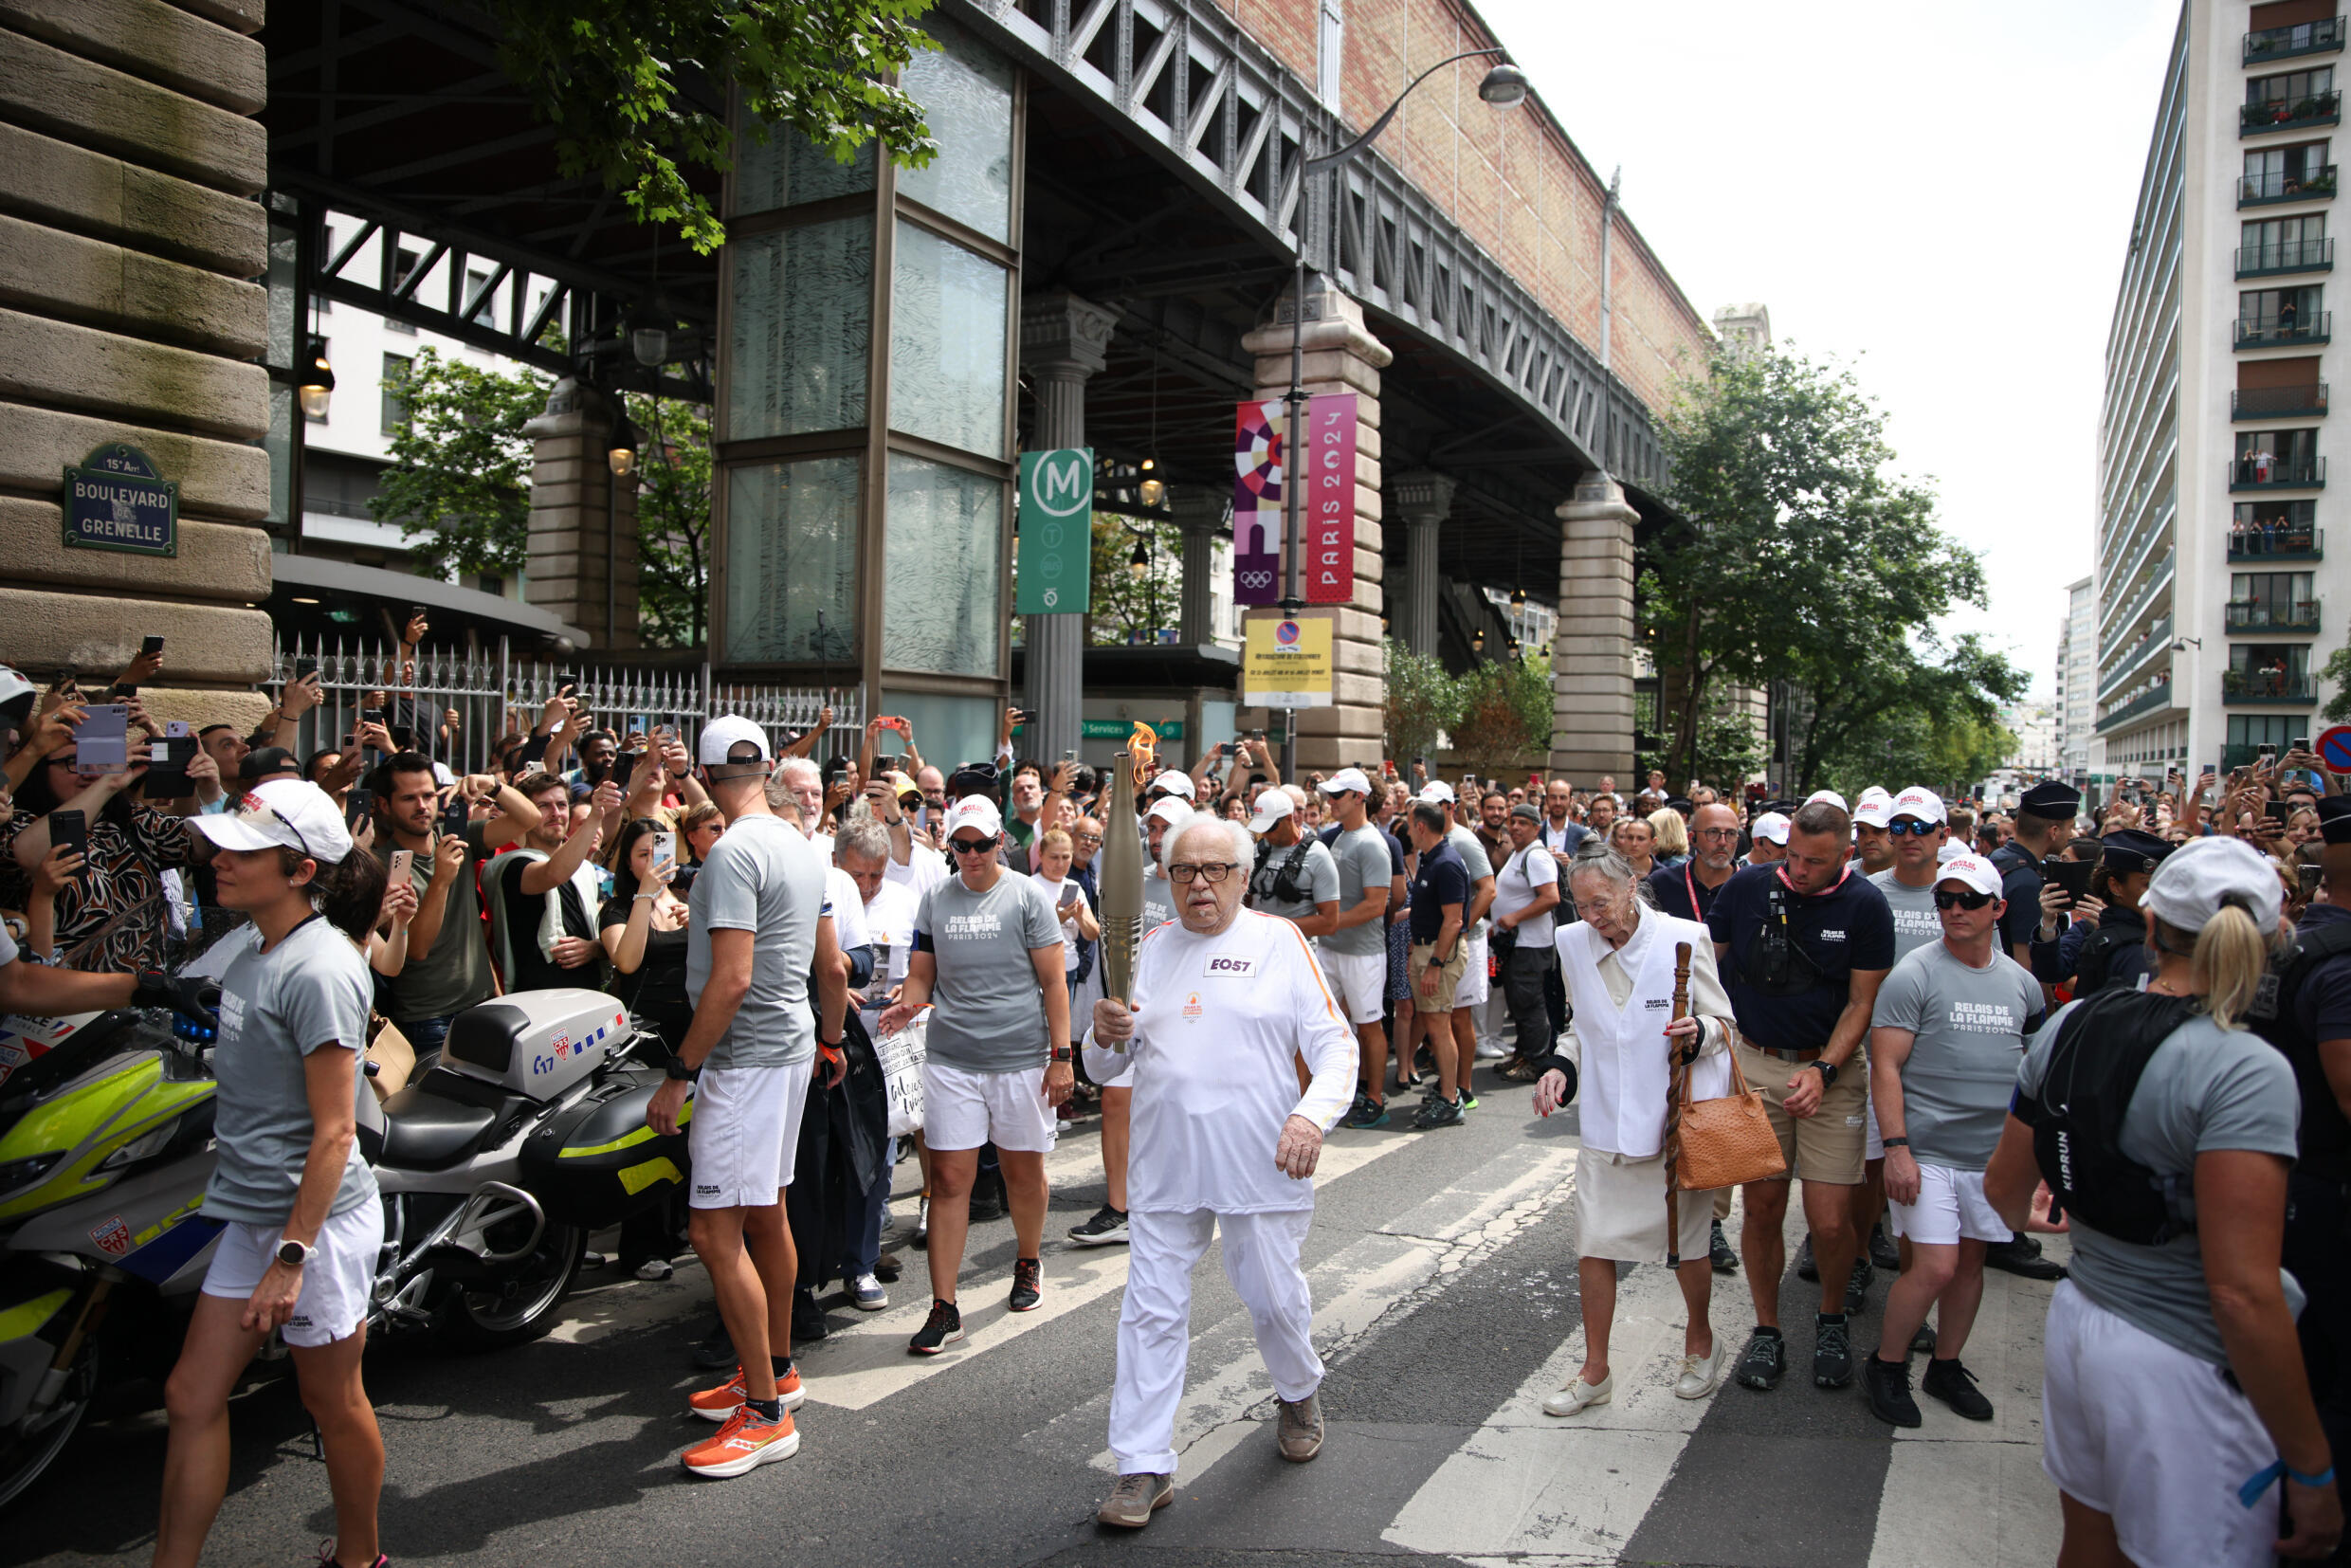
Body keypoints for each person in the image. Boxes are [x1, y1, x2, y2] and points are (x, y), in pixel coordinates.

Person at [1985, 836, 2342, 1568]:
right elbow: (2242, 1293)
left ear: (2151, 927)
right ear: (2273, 940)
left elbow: (2003, 1191)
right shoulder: (2246, 1069)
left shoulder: (2072, 1022)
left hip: (2081, 1324)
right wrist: (2313, 1467)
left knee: (2090, 1543)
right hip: (2189, 1361)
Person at [1084, 812, 1356, 1528]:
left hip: (1259, 1162)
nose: (1199, 884)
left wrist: (1310, 1117)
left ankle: (1297, 1390)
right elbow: (1106, 1064)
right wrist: (1101, 1037)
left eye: (1215, 870)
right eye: (1184, 871)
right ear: (1167, 878)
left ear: (1243, 876)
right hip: (1166, 1166)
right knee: (1150, 1312)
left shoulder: (1280, 942)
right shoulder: (1147, 951)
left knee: (1272, 1297)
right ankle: (1142, 1465)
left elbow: (1336, 1046)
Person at [155, 781, 386, 1568]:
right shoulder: (255, 948)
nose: (218, 860)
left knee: (330, 1400)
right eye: (221, 845)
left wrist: (292, 1256)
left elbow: (336, 1131)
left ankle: (359, 1558)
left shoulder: (321, 968)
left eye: (242, 851)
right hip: (253, 1212)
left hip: (314, 1227)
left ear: (299, 870)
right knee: (190, 1396)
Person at [645, 717, 847, 1478]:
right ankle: (776, 1372)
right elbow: (832, 968)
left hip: (743, 1059)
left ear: (699, 776)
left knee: (714, 1231)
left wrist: (680, 1071)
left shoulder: (732, 853)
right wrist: (831, 1039)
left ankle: (764, 1412)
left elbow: (730, 980)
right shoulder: (798, 844)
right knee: (767, 1212)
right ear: (766, 769)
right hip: (788, 1046)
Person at [1534, 841, 1736, 1415]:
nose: (1592, 918)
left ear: (1631, 887)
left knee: (1687, 1248)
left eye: (1601, 903)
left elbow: (1726, 1024)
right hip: (1605, 1122)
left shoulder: (1684, 937)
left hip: (1671, 1124)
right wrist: (1560, 1065)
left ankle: (1701, 1343)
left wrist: (1701, 1031)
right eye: (1581, 907)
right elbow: (1580, 1025)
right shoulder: (1572, 942)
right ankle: (1594, 1371)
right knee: (1594, 1244)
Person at [1707, 799, 1895, 1392]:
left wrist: (1824, 1070)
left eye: (1815, 861)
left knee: (1831, 1221)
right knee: (1761, 1208)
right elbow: (1707, 965)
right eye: (1792, 856)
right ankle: (1767, 1330)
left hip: (1831, 1072)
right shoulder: (1746, 888)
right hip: (1757, 1064)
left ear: (1846, 854)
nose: (1800, 870)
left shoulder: (1866, 905)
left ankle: (1831, 1318)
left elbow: (1862, 1004)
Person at [876, 794, 1074, 1353]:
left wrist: (1061, 1057)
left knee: (1021, 1173)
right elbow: (922, 974)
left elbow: (1054, 982)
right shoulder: (936, 898)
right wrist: (909, 1004)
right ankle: (944, 1306)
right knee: (949, 1181)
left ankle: (1028, 1260)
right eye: (960, 846)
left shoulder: (1027, 897)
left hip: (1020, 1059)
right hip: (951, 1060)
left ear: (999, 842)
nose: (971, 855)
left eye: (981, 845)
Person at [1862, 852, 2044, 1428]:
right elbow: (1885, 1066)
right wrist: (1896, 1149)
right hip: (1928, 1150)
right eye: (1945, 899)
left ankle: (1945, 1365)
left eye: (1969, 900)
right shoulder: (1914, 973)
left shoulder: (2023, 984)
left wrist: (2031, 1162)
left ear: (1999, 908)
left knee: (1970, 1265)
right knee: (1936, 1267)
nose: (1955, 910)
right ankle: (1887, 1365)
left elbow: (2033, 1071)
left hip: (1991, 1156)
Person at [373, 752, 538, 1058]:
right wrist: (442, 879)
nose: (422, 806)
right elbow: (416, 949)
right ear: (385, 805)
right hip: (429, 1019)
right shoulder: (380, 867)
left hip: (483, 1003)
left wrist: (492, 785)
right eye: (409, 798)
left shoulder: (457, 837)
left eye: (428, 795)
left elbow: (529, 819)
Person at [495, 770, 624, 992]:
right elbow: (553, 873)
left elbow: (607, 939)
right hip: (536, 999)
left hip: (589, 995)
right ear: (526, 814)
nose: (555, 813)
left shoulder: (586, 869)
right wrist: (594, 817)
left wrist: (595, 948)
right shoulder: (512, 865)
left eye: (562, 805)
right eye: (543, 806)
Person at [1402, 801, 1470, 1127]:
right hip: (1425, 950)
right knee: (1433, 1023)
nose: (1407, 831)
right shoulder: (1431, 859)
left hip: (1438, 955)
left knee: (1440, 1027)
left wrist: (1434, 964)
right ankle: (1446, 1091)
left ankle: (1450, 1099)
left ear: (1420, 827)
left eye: (1409, 824)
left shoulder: (1447, 863)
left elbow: (1454, 920)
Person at [1490, 803, 1561, 1082]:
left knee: (1530, 1005)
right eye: (1513, 822)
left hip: (1531, 946)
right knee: (1519, 1003)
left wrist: (1515, 917)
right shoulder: (1519, 853)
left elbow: (1550, 897)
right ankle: (1522, 1055)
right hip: (1517, 945)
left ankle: (1536, 1061)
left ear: (1536, 828)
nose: (1516, 827)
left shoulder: (1536, 856)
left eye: (1523, 823)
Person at [2068, 829, 2173, 997]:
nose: (2156, 892)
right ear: (2115, 886)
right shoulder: (2133, 950)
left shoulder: (2145, 935)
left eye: (2160, 884)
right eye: (2147, 885)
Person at [1245, 787, 1340, 938]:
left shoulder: (1317, 854)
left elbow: (1329, 923)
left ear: (1289, 818)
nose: (1265, 834)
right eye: (1261, 828)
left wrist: (1274, 926)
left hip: (1296, 947)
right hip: (1259, 944)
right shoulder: (1259, 849)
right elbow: (1247, 899)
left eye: (1270, 828)